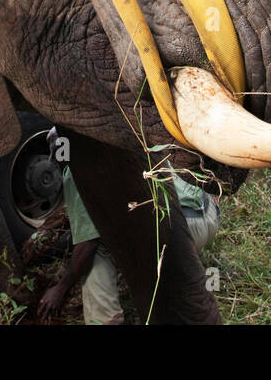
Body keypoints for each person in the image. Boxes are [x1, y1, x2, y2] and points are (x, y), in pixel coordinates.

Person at [37, 134, 220, 324]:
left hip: (177, 234)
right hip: (208, 216)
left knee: (96, 248)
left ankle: (104, 318)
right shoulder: (127, 138)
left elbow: (87, 245)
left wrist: (61, 288)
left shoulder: (77, 172)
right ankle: (201, 264)